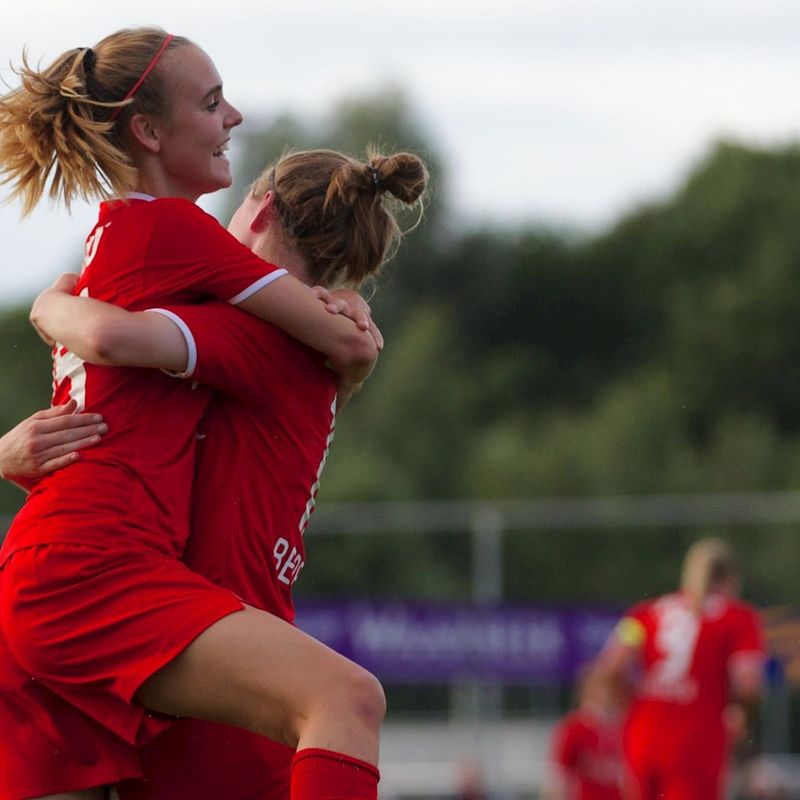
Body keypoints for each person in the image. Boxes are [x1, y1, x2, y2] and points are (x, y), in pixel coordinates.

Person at [0, 26, 424, 800]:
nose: (234, 117)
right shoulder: (184, 251)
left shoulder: (139, 250)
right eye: (213, 101)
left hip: (89, 572)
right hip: (102, 572)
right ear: (150, 131)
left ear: (258, 212)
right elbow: (112, 339)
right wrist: (355, 336)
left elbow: (105, 356)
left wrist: (49, 301)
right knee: (347, 700)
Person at [598, 537, 765, 800]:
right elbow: (748, 682)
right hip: (696, 740)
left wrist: (632, 702)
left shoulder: (645, 613)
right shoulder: (738, 618)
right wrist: (741, 714)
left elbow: (610, 668)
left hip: (642, 736)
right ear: (731, 578)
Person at [540, 663, 624, 800]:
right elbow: (558, 776)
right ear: (589, 690)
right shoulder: (574, 729)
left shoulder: (627, 727)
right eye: (603, 688)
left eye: (613, 688)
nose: (609, 694)